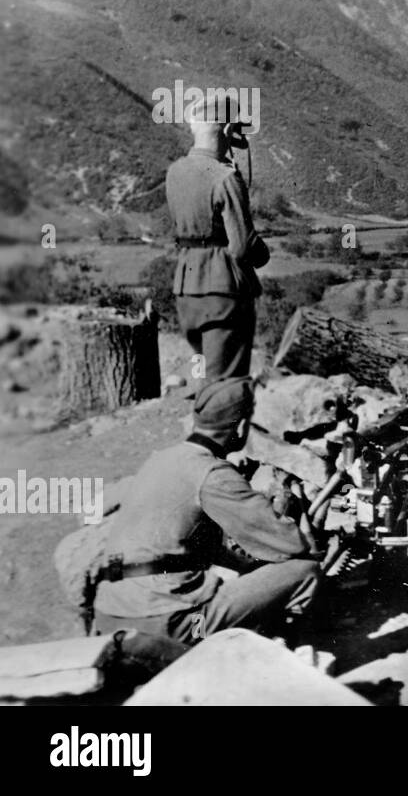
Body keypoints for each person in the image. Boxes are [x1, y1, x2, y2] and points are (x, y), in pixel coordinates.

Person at [93, 377, 322, 645]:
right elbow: (291, 545)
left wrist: (249, 567)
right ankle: (286, 659)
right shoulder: (212, 473)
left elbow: (200, 548)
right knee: (305, 570)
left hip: (109, 615)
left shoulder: (161, 460)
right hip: (174, 624)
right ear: (241, 426)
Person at [166, 95, 269, 387]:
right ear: (226, 132)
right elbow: (243, 247)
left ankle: (203, 419)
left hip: (186, 287)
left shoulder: (174, 172)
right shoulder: (224, 178)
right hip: (223, 289)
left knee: (205, 374)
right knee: (226, 381)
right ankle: (213, 428)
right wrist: (263, 253)